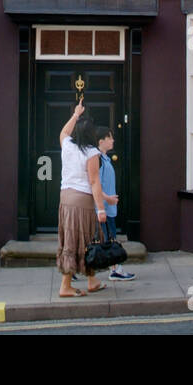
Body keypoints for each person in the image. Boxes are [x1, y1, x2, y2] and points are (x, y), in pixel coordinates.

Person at [57, 102, 109, 297]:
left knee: (76, 239)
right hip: (82, 199)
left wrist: (76, 114)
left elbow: (64, 131)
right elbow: (94, 182)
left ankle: (92, 280)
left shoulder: (67, 145)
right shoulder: (91, 153)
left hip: (66, 197)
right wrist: (101, 209)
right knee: (83, 241)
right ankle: (65, 286)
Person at [96, 126, 134, 281]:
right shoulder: (97, 160)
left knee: (104, 239)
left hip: (108, 208)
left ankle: (73, 271)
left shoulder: (104, 158)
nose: (113, 140)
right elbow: (94, 184)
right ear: (101, 141)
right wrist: (107, 199)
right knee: (109, 239)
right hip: (102, 208)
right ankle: (115, 269)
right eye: (110, 137)